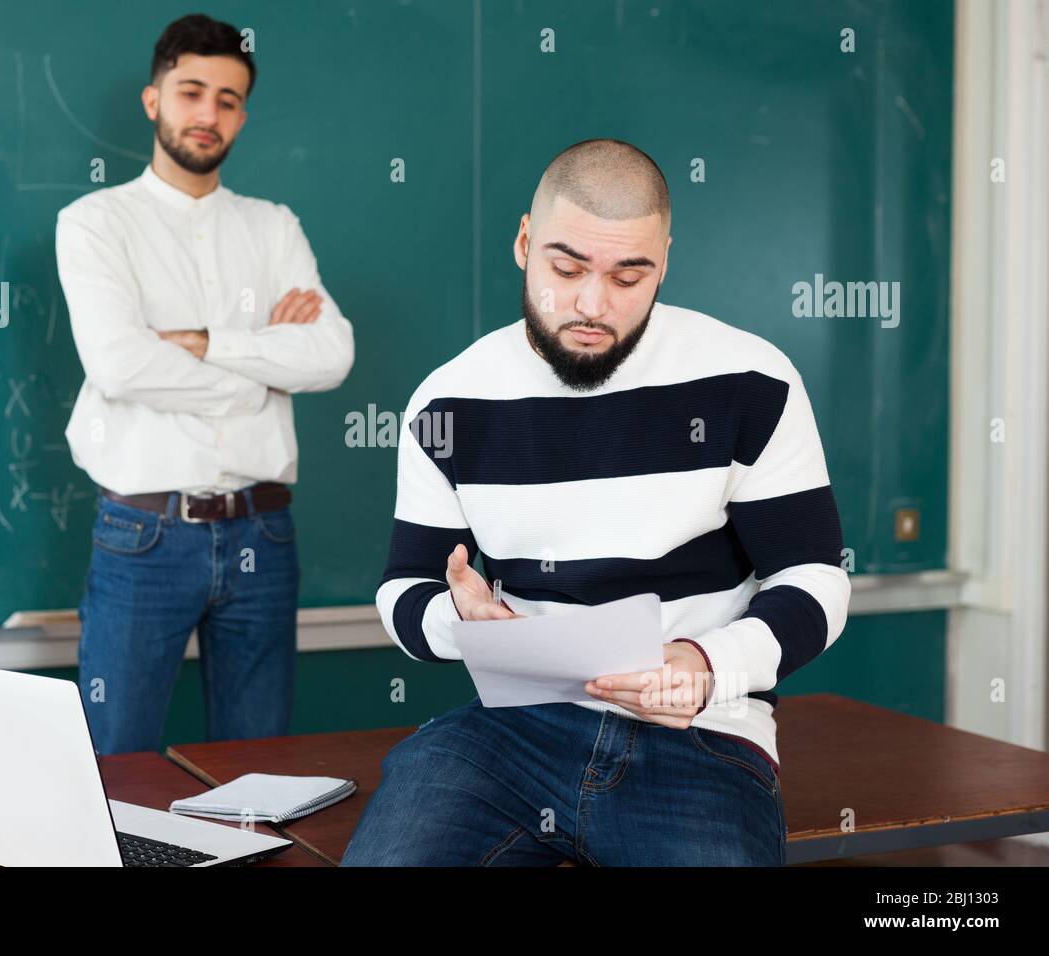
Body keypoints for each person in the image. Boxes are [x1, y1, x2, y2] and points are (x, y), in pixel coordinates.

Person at [342, 139, 849, 866]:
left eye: (627, 276)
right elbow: (404, 591)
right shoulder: (447, 403)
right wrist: (463, 621)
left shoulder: (753, 381)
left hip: (702, 737)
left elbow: (816, 582)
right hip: (512, 733)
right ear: (524, 243)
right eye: (566, 267)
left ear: (664, 262)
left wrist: (704, 665)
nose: (591, 304)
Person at [56, 14, 354, 754]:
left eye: (228, 99)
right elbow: (119, 364)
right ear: (154, 99)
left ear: (243, 116)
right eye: (192, 92)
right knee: (112, 765)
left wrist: (202, 343)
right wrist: (257, 372)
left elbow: (332, 354)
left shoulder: (273, 225)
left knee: (260, 776)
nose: (208, 113)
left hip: (263, 529)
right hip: (143, 535)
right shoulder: (95, 222)